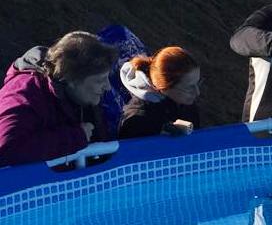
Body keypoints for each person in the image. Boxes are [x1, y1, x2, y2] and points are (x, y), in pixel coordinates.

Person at [0, 31, 115, 166]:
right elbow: (5, 151)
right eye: (100, 80)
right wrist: (74, 137)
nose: (107, 87)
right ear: (71, 79)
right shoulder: (23, 95)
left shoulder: (83, 94)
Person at [118, 46, 201, 139]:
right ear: (164, 87)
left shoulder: (184, 102)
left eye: (198, 83)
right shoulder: (137, 120)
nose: (197, 92)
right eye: (189, 87)